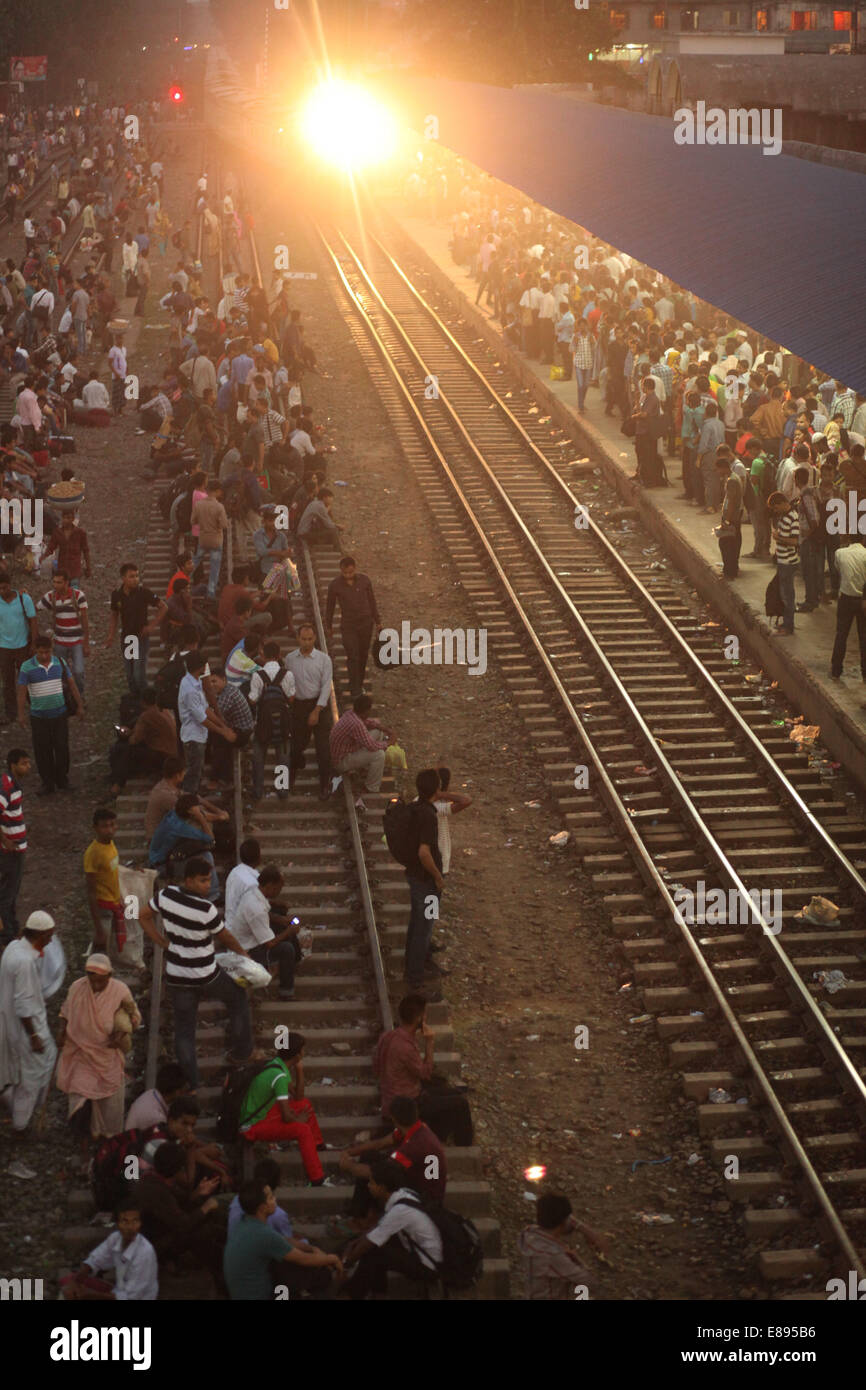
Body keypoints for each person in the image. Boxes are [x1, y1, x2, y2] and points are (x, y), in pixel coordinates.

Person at [138, 856, 261, 1087]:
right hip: (206, 975)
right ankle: (242, 1052)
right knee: (237, 998)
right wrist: (244, 954)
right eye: (203, 881)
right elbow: (224, 936)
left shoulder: (165, 895)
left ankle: (191, 1086)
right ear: (190, 880)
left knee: (184, 1031)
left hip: (177, 976)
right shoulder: (207, 909)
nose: (208, 885)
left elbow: (142, 915)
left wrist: (162, 942)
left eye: (209, 880)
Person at [56, 955, 141, 1149]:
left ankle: (107, 1138)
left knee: (109, 1102)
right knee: (80, 1100)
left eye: (100, 981)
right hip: (80, 1053)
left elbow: (134, 1016)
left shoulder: (120, 991)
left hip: (106, 1056)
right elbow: (65, 1013)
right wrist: (61, 1032)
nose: (95, 985)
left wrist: (122, 1033)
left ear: (109, 976)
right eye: (92, 980)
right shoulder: (77, 987)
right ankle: (83, 1140)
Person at [374, 993, 473, 1146]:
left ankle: (440, 1135)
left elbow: (377, 1066)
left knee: (448, 1090)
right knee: (461, 1103)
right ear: (419, 1019)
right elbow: (426, 1074)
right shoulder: (405, 1047)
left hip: (390, 1098)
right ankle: (465, 1145)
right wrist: (430, 1042)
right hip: (406, 1105)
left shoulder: (387, 1036)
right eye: (424, 1014)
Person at [223, 1179, 341, 1300]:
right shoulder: (262, 1234)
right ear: (263, 1208)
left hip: (245, 1290)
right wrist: (331, 1259)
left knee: (292, 1268)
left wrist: (312, 1248)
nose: (275, 1199)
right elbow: (304, 1259)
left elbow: (283, 1240)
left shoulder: (245, 1222)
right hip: (259, 1295)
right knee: (321, 1273)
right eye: (271, 1197)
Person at [341, 1158, 443, 1299]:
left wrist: (346, 1264)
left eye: (371, 1183)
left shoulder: (400, 1210)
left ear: (382, 1188)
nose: (368, 1186)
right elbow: (379, 1227)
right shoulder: (402, 1194)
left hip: (428, 1265)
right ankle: (376, 1293)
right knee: (374, 1248)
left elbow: (370, 1241)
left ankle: (353, 1295)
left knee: (373, 1251)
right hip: (417, 1251)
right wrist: (355, 1242)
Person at [340, 1094, 447, 1221]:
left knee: (376, 1176)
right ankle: (364, 1211)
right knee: (370, 1157)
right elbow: (381, 1143)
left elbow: (378, 1172)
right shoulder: (415, 1128)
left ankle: (361, 1217)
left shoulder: (413, 1146)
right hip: (420, 1182)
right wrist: (351, 1152)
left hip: (425, 1199)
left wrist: (349, 1166)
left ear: (394, 1119)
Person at [134, 1141, 226, 1288]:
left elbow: (182, 1202)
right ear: (177, 1170)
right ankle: (220, 1276)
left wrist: (199, 1193)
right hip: (152, 1244)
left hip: (161, 1230)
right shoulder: (155, 1190)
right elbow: (183, 1224)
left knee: (210, 1219)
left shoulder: (156, 1179)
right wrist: (205, 1207)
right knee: (205, 1231)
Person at [0, 909, 57, 1138]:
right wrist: (34, 1036)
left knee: (32, 1067)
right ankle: (21, 1125)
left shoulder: (15, 947)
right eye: (49, 936)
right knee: (33, 1077)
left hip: (10, 1024)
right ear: (41, 935)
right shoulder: (24, 962)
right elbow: (24, 1005)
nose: (51, 940)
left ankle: (11, 1099)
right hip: (25, 1028)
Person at [238, 1040, 329, 1184]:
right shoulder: (279, 1076)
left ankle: (317, 1144)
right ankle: (317, 1178)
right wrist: (300, 1119)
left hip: (260, 1114)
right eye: (303, 1050)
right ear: (297, 1055)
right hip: (251, 1127)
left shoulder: (279, 1064)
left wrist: (299, 1070)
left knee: (304, 1104)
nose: (304, 1053)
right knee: (303, 1130)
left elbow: (298, 1097)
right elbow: (287, 1117)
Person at [17, 633, 82, 796]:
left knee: (62, 748)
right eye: (41, 653)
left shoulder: (60, 663)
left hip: (60, 714)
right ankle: (47, 782)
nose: (45, 656)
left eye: (47, 652)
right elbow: (21, 692)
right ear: (36, 651)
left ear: (52, 650)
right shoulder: (26, 667)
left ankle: (62, 779)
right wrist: (20, 714)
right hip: (39, 716)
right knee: (42, 750)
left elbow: (72, 684)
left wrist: (80, 705)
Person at [60, 1199, 158, 1302]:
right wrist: (75, 1282)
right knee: (68, 1281)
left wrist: (89, 1295)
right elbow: (95, 1260)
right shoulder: (116, 1238)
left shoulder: (145, 1254)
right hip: (118, 1291)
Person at [402, 768, 446, 995]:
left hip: (414, 877)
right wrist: (438, 877)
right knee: (424, 929)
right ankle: (415, 976)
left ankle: (410, 967)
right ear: (437, 790)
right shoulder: (428, 815)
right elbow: (424, 852)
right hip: (427, 882)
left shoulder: (415, 809)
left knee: (416, 924)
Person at [518, 1193, 608, 1300]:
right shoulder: (553, 1256)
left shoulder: (528, 1234)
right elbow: (590, 1282)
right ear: (564, 1222)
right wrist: (577, 1260)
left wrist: (585, 1230)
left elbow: (561, 1216)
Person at [231, 864, 300, 1000]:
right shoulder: (255, 909)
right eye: (278, 888)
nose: (279, 891)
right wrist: (289, 931)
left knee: (282, 923)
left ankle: (291, 964)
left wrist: (282, 919)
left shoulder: (253, 892)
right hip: (250, 951)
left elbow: (265, 912)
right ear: (269, 885)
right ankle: (286, 992)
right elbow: (269, 944)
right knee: (287, 949)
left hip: (249, 939)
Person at [285, 622, 333, 798]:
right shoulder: (290, 659)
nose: (306, 642)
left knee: (323, 748)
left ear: (315, 639)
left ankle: (325, 786)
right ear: (298, 638)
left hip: (319, 705)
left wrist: (317, 710)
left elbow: (326, 687)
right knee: (296, 746)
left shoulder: (324, 660)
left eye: (310, 639)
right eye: (303, 639)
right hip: (299, 706)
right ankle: (289, 781)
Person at [178, 650, 235, 794]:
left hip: (199, 736)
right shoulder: (189, 688)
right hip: (193, 736)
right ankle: (189, 801)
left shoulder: (195, 682)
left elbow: (205, 708)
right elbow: (201, 718)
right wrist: (223, 732)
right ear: (201, 667)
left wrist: (221, 723)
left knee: (198, 771)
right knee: (193, 774)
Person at [105, 563, 166, 698]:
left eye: (137, 576)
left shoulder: (143, 593)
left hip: (140, 637)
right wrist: (111, 635)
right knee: (130, 674)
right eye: (131, 576)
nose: (135, 579)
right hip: (127, 638)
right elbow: (114, 615)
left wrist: (151, 626)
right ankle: (135, 702)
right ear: (123, 578)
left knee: (139, 674)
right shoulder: (117, 595)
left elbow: (163, 607)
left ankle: (149, 700)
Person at [325, 556, 381, 699]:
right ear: (341, 570)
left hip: (366, 624)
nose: (348, 575)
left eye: (350, 572)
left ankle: (358, 684)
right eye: (345, 573)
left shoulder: (365, 581)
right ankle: (355, 689)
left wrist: (378, 621)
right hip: (348, 625)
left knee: (362, 656)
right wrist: (329, 625)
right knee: (352, 655)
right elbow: (330, 606)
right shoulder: (335, 585)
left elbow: (372, 601)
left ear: (355, 568)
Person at [248, 640, 295, 803]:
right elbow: (290, 698)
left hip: (262, 724)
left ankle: (258, 790)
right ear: (279, 655)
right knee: (283, 758)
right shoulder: (287, 674)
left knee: (259, 758)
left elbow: (253, 701)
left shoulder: (257, 675)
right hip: (282, 725)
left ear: (263, 656)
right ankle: (282, 791)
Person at [109, 687, 177, 795]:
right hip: (173, 752)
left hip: (162, 755)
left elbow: (134, 740)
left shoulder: (146, 715)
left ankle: (118, 784)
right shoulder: (164, 710)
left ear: (142, 701)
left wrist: (129, 734)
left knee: (127, 749)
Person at [37, 568, 90, 695]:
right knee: (61, 673)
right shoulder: (50, 596)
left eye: (59, 582)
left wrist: (86, 642)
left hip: (77, 641)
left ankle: (80, 698)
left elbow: (85, 620)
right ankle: (67, 699)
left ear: (67, 582)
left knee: (78, 672)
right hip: (60, 641)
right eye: (54, 582)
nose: (56, 585)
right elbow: (34, 609)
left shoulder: (78, 596)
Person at [329, 695, 387, 808]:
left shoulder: (351, 714)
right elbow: (372, 746)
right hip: (342, 761)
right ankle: (371, 787)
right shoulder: (356, 724)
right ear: (365, 711)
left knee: (377, 731)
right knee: (379, 754)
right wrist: (389, 743)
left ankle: (367, 767)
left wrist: (384, 729)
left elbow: (369, 723)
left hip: (347, 751)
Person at [0, 747, 31, 947]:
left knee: (12, 891)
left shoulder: (13, 785)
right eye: (24, 763)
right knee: (7, 893)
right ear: (13, 765)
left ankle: (12, 926)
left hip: (17, 848)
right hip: (10, 851)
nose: (28, 767)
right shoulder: (6, 785)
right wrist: (4, 840)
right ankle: (7, 933)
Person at [0, 570, 38, 723]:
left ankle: (35, 707)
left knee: (28, 679)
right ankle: (11, 713)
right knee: (8, 682)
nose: (2, 591)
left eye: (4, 588)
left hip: (23, 646)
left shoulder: (24, 599)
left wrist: (34, 644)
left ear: (10, 585)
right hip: (4, 648)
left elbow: (33, 621)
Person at [830, 539, 866, 681]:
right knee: (863, 637)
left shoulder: (840, 553)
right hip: (863, 600)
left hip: (845, 598)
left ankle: (836, 670)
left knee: (841, 634)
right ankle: (865, 672)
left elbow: (838, 570)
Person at [769, 491, 800, 637]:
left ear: (781, 504)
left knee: (787, 595)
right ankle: (787, 623)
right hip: (783, 561)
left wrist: (778, 538)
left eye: (775, 508)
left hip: (788, 562)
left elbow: (794, 541)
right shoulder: (785, 516)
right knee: (784, 593)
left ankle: (789, 626)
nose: (775, 511)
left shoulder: (792, 517)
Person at [190, 479, 227, 600]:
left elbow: (193, 521)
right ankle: (211, 593)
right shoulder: (219, 507)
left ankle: (183, 581)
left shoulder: (199, 505)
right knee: (214, 568)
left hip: (203, 539)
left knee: (194, 562)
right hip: (216, 541)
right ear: (217, 491)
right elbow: (223, 525)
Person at [125, 1060, 189, 1130]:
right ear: (177, 1092)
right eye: (184, 1091)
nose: (184, 1094)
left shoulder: (152, 1093)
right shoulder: (156, 1118)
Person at [433, 766, 472, 876]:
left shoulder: (418, 801)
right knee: (431, 893)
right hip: (436, 862)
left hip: (430, 862)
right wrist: (442, 794)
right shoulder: (437, 808)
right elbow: (466, 801)